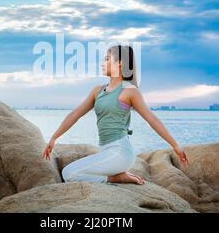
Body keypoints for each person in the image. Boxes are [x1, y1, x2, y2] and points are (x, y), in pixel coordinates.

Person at [42, 44, 188, 185]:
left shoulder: (129, 91)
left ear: (120, 63)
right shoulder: (97, 91)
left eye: (107, 59)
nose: (102, 63)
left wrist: (175, 145)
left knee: (70, 174)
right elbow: (75, 114)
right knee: (69, 172)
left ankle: (116, 178)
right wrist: (54, 137)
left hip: (120, 151)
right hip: (106, 151)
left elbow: (152, 120)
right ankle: (116, 176)